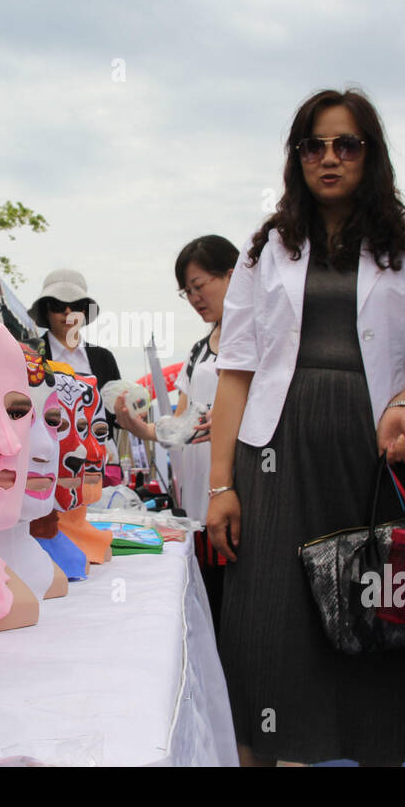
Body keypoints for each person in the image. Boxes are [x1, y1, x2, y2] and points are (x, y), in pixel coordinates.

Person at [206, 88, 405, 766]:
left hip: (378, 453)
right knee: (265, 629)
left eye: (345, 144)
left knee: (375, 618)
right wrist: (219, 487)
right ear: (296, 158)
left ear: (370, 155)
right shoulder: (264, 249)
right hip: (274, 455)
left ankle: (374, 751)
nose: (328, 158)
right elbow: (235, 370)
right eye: (313, 145)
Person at [114, 234, 238, 631]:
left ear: (233, 276)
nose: (194, 299)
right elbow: (181, 426)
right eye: (186, 292)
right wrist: (139, 428)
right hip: (200, 499)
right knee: (213, 607)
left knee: (241, 602)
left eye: (200, 286)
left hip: (240, 491)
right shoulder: (200, 351)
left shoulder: (257, 341)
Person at [28, 268, 121, 434]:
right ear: (46, 309)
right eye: (58, 305)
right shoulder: (29, 355)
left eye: (76, 305)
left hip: (101, 454)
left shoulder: (104, 358)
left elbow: (116, 414)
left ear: (84, 310)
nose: (68, 312)